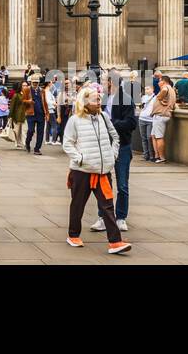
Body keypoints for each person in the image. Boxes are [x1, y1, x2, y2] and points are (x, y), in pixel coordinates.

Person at [63, 85, 131, 254]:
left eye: (100, 99)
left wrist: (112, 154)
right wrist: (80, 159)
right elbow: (67, 143)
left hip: (102, 172)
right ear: (85, 101)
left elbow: (115, 136)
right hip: (82, 172)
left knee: (107, 206)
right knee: (78, 205)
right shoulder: (75, 120)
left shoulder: (104, 117)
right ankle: (73, 235)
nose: (99, 102)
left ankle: (115, 242)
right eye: (96, 99)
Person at [98, 72, 136, 232]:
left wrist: (111, 124)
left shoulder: (126, 98)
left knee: (122, 185)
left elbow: (131, 122)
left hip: (122, 145)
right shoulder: (103, 98)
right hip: (105, 145)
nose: (101, 83)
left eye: (104, 80)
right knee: (104, 183)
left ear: (110, 82)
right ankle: (103, 217)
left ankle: (121, 217)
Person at [150, 74, 176, 163]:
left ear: (163, 82)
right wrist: (161, 100)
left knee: (159, 137)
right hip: (161, 115)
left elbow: (164, 91)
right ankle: (157, 155)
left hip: (161, 115)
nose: (158, 83)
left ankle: (161, 157)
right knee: (153, 135)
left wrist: (159, 97)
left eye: (159, 81)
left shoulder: (165, 88)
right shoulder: (171, 89)